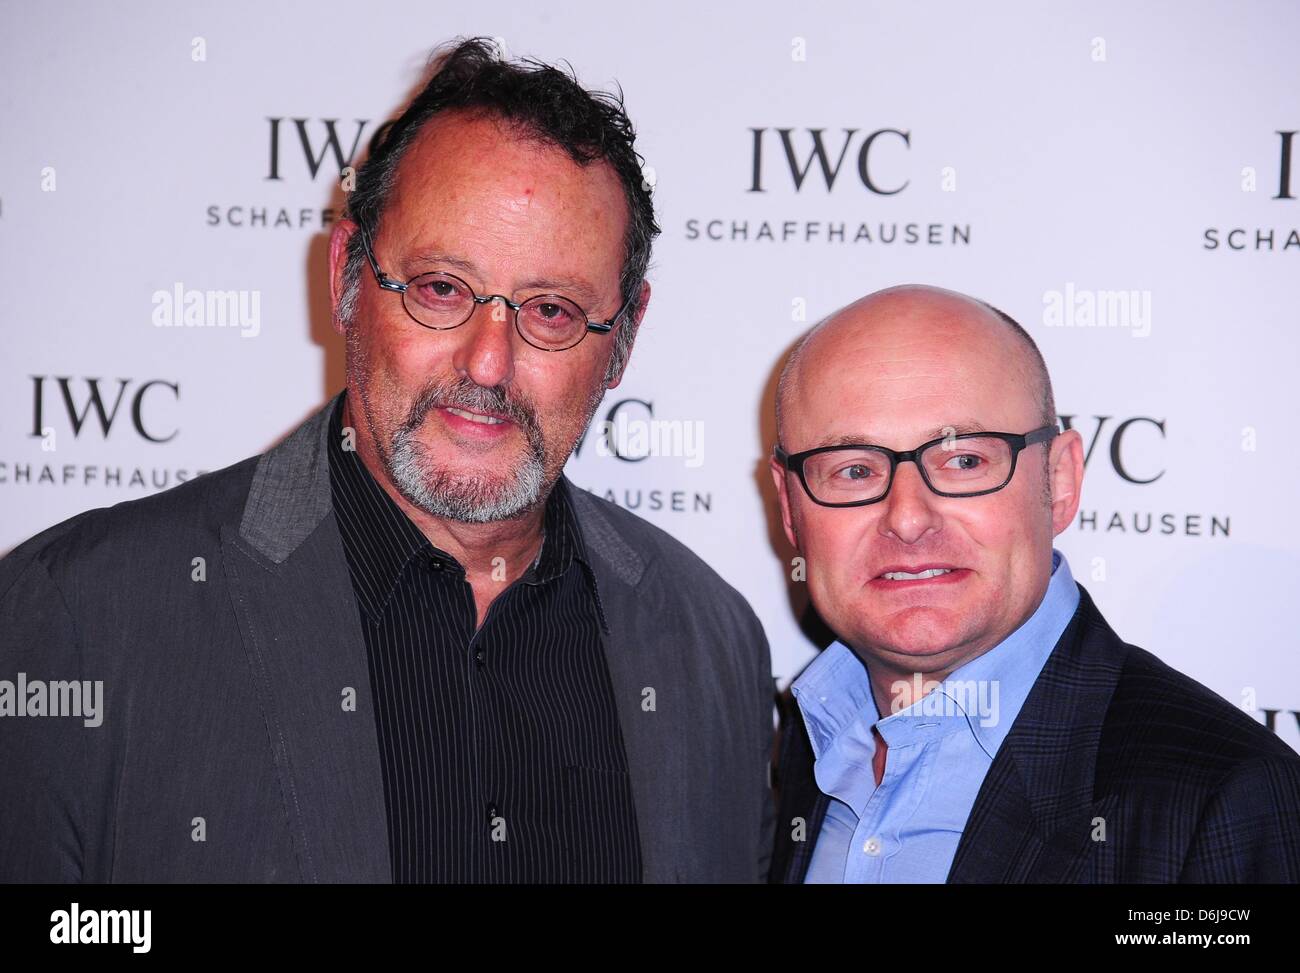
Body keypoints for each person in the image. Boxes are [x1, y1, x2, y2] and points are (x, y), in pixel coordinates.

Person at [0, 37, 774, 884]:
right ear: (345, 275)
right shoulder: (84, 615)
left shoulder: (712, 646)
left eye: (552, 310)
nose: (488, 363)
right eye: (441, 288)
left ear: (623, 337)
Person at [766, 284, 1300, 883]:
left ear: (1060, 480)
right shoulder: (811, 736)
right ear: (789, 505)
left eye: (964, 460)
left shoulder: (1227, 802)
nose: (908, 518)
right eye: (853, 470)